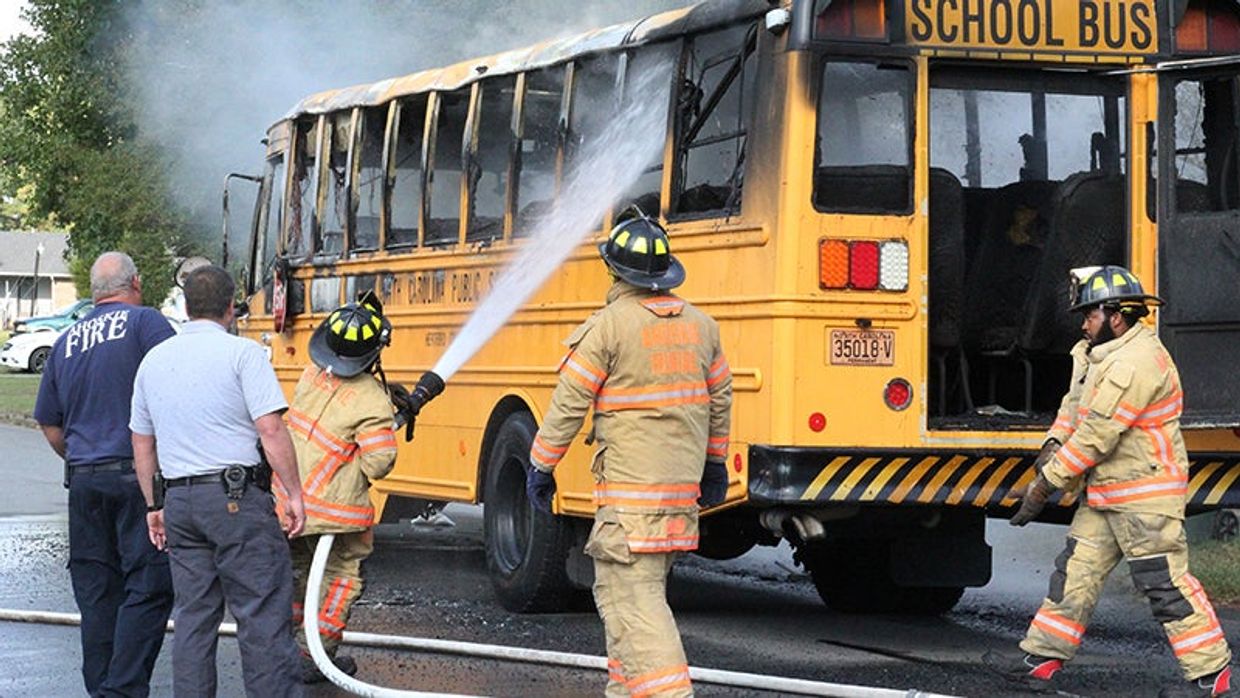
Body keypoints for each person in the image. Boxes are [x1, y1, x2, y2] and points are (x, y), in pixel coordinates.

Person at [996, 265, 1233, 697]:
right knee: (1074, 574)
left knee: (1165, 586)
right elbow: (1074, 408)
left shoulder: (1136, 362)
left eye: (1089, 315)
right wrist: (1053, 442)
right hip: (1106, 495)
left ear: (1116, 315)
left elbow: (1097, 435)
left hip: (1144, 500)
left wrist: (1045, 484)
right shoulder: (1095, 353)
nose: (1082, 323)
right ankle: (1042, 657)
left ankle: (1209, 678)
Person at [527, 212, 732, 698]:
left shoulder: (608, 328)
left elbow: (567, 406)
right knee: (626, 607)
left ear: (615, 272)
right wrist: (715, 463)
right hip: (679, 499)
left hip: (629, 504)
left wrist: (541, 465)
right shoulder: (702, 328)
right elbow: (720, 398)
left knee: (635, 607)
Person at [129, 264, 306, 697]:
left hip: (181, 506)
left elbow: (142, 443)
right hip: (236, 500)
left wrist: (155, 506)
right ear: (231, 308)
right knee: (262, 615)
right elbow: (270, 429)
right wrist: (294, 494)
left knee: (193, 618)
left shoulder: (154, 360)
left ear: (187, 307)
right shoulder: (243, 355)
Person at [33, 251, 176, 697]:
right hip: (137, 477)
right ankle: (124, 690)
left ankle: (102, 688)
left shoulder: (66, 340)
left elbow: (50, 422)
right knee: (149, 585)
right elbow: (178, 384)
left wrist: (80, 460)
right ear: (134, 284)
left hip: (84, 478)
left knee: (97, 592)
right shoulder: (146, 324)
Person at [286, 294, 398, 682]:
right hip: (337, 513)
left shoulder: (311, 376)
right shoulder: (372, 399)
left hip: (289, 501)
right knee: (341, 576)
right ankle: (316, 654)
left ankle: (288, 647)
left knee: (297, 569)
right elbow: (380, 462)